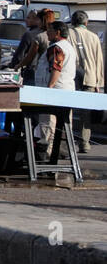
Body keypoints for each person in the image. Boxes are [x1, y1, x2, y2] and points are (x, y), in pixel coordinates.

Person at [36, 21, 77, 162]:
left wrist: (49, 89)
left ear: (58, 32)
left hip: (55, 93)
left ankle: (48, 157)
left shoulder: (57, 48)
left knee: (48, 124)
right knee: (64, 125)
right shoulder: (69, 47)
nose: (47, 33)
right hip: (67, 91)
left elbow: (56, 68)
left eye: (50, 30)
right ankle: (58, 154)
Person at [66, 10, 104, 153]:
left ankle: (67, 142)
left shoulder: (68, 34)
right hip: (89, 78)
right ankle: (85, 143)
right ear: (86, 22)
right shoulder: (94, 37)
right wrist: (98, 83)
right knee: (85, 112)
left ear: (72, 22)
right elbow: (99, 61)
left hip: (71, 76)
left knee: (66, 109)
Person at [14, 10, 49, 86]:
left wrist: (16, 65)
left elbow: (23, 55)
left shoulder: (30, 35)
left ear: (37, 20)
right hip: (46, 72)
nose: (26, 20)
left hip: (31, 70)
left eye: (28, 18)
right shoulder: (50, 34)